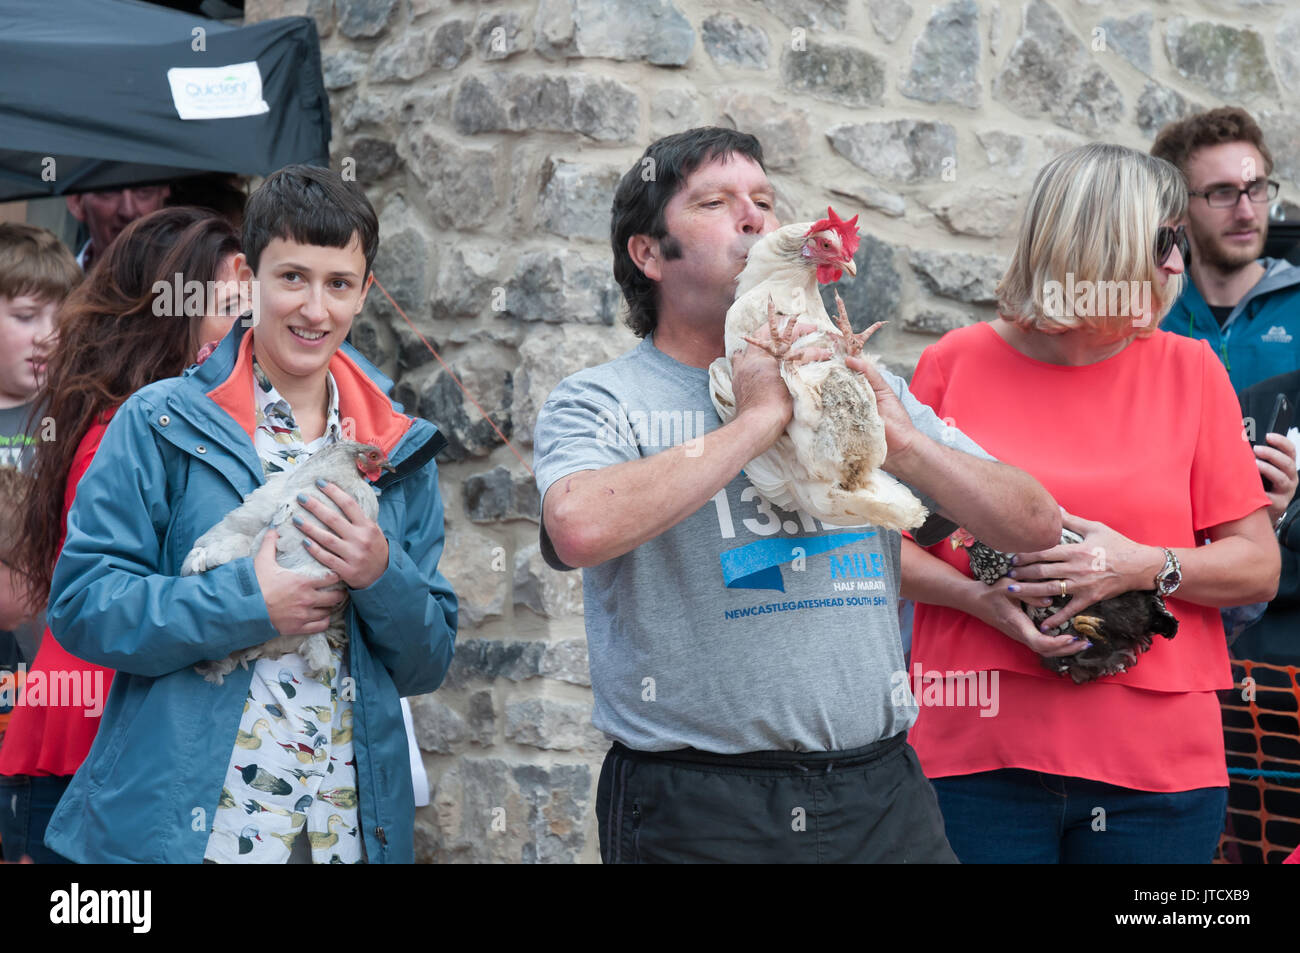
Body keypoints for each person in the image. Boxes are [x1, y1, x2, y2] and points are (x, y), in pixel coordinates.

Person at [532, 127, 1062, 864]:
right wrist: (757, 419)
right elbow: (579, 528)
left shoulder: (857, 380)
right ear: (648, 254)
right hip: (702, 805)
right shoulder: (604, 400)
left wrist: (903, 442)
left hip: (881, 791)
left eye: (763, 200)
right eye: (716, 203)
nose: (754, 218)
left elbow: (1034, 522)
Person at [41, 165, 457, 863]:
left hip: (339, 835)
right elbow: (83, 605)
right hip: (191, 834)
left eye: (339, 284)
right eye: (292, 277)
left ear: (364, 292)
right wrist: (248, 603)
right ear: (245, 274)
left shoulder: (397, 446)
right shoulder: (161, 418)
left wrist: (381, 573)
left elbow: (426, 660)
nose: (315, 309)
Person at [902, 143, 1280, 864]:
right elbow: (878, 546)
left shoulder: (1191, 370)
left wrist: (1141, 564)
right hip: (979, 757)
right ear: (1102, 245)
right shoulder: (955, 362)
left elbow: (1257, 566)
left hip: (1157, 776)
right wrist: (977, 598)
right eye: (1168, 241)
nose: (1180, 264)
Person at [0, 207, 242, 863]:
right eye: (229, 307)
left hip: (127, 742)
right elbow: (107, 599)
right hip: (87, 746)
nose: (247, 329)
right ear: (172, 314)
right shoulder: (122, 435)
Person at [0, 223, 80, 776]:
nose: (47, 336)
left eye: (61, 318)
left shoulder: (82, 422)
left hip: (58, 695)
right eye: (26, 316)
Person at [65, 183, 171, 272]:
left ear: (163, 193)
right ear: (77, 201)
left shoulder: (182, 286)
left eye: (143, 190)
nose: (128, 211)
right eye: (110, 190)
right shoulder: (57, 291)